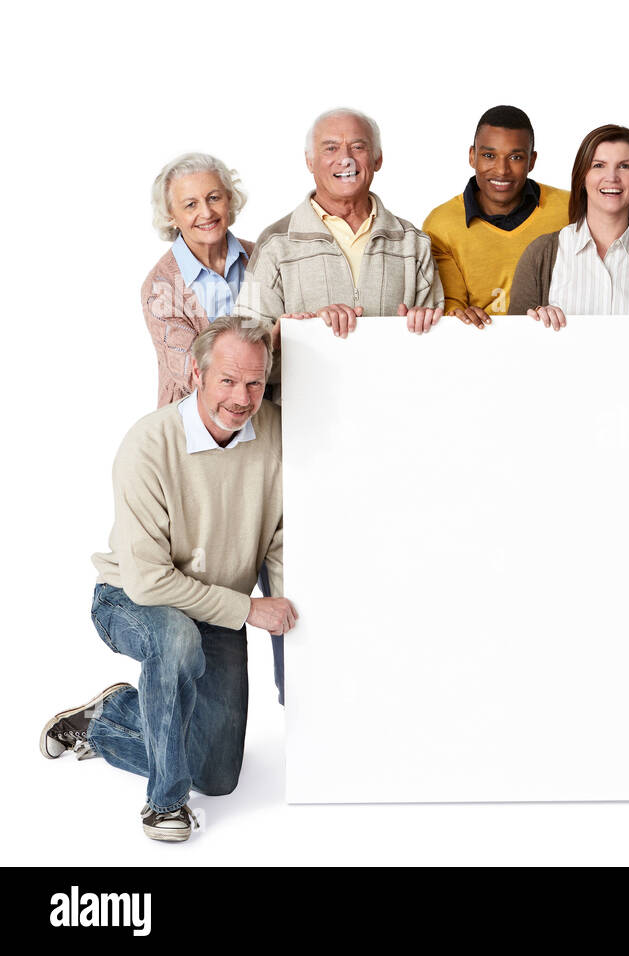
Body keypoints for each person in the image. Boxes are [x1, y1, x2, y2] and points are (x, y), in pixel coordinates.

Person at [41, 318, 295, 842]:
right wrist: (249, 610)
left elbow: (280, 535)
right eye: (227, 380)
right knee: (174, 639)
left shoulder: (277, 433)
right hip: (131, 598)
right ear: (196, 373)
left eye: (253, 382)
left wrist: (295, 602)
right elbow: (149, 582)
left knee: (219, 776)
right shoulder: (149, 443)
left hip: (216, 607)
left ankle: (109, 718)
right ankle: (165, 804)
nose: (241, 397)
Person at [235, 107, 443, 340]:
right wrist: (290, 334)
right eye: (331, 148)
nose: (345, 159)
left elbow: (440, 346)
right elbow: (245, 340)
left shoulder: (413, 243)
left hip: (392, 377)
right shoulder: (275, 243)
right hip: (307, 378)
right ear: (310, 161)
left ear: (378, 159)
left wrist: (424, 329)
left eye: (358, 147)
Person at [509, 124, 629, 330]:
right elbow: (514, 345)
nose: (612, 177)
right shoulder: (540, 254)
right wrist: (537, 322)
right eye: (598, 165)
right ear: (582, 178)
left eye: (624, 166)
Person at [422, 106, 570, 329]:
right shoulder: (441, 224)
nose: (502, 170)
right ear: (472, 156)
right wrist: (460, 316)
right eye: (489, 155)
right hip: (480, 343)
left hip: (556, 337)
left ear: (532, 161)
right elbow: (450, 308)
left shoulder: (569, 209)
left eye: (516, 157)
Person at [141, 153, 253, 406]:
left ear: (229, 199)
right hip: (195, 428)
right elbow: (196, 375)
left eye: (214, 198)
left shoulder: (263, 257)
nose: (206, 212)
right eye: (190, 204)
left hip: (271, 420)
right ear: (171, 215)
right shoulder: (160, 288)